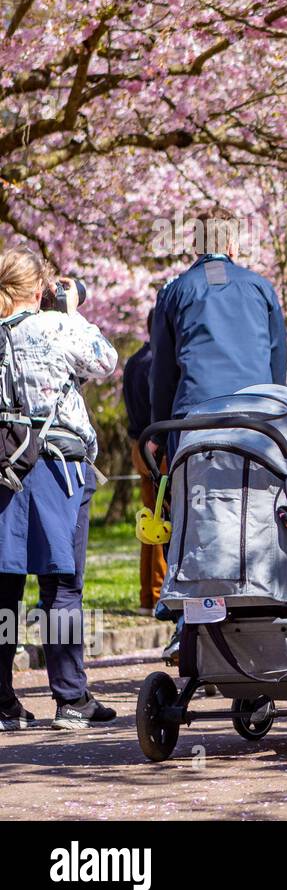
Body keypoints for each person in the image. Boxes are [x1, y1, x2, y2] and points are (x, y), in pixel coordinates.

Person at [150, 207, 287, 663]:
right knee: (257, 513)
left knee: (192, 520)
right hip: (256, 420)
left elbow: (163, 371)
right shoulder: (261, 288)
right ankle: (261, 605)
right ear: (233, 244)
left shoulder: (174, 292)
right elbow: (276, 366)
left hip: (193, 423)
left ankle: (191, 623)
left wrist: (157, 429)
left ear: (195, 243)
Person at [0, 249, 118, 731]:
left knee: (3, 588)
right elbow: (105, 360)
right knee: (61, 586)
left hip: (4, 468)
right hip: (57, 469)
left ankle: (3, 703)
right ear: (37, 289)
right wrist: (71, 311)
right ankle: (71, 698)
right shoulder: (54, 326)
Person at [123, 308, 165, 614]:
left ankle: (147, 594)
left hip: (137, 443)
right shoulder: (159, 363)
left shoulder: (134, 361)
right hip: (157, 444)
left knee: (148, 520)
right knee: (164, 520)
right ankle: (159, 591)